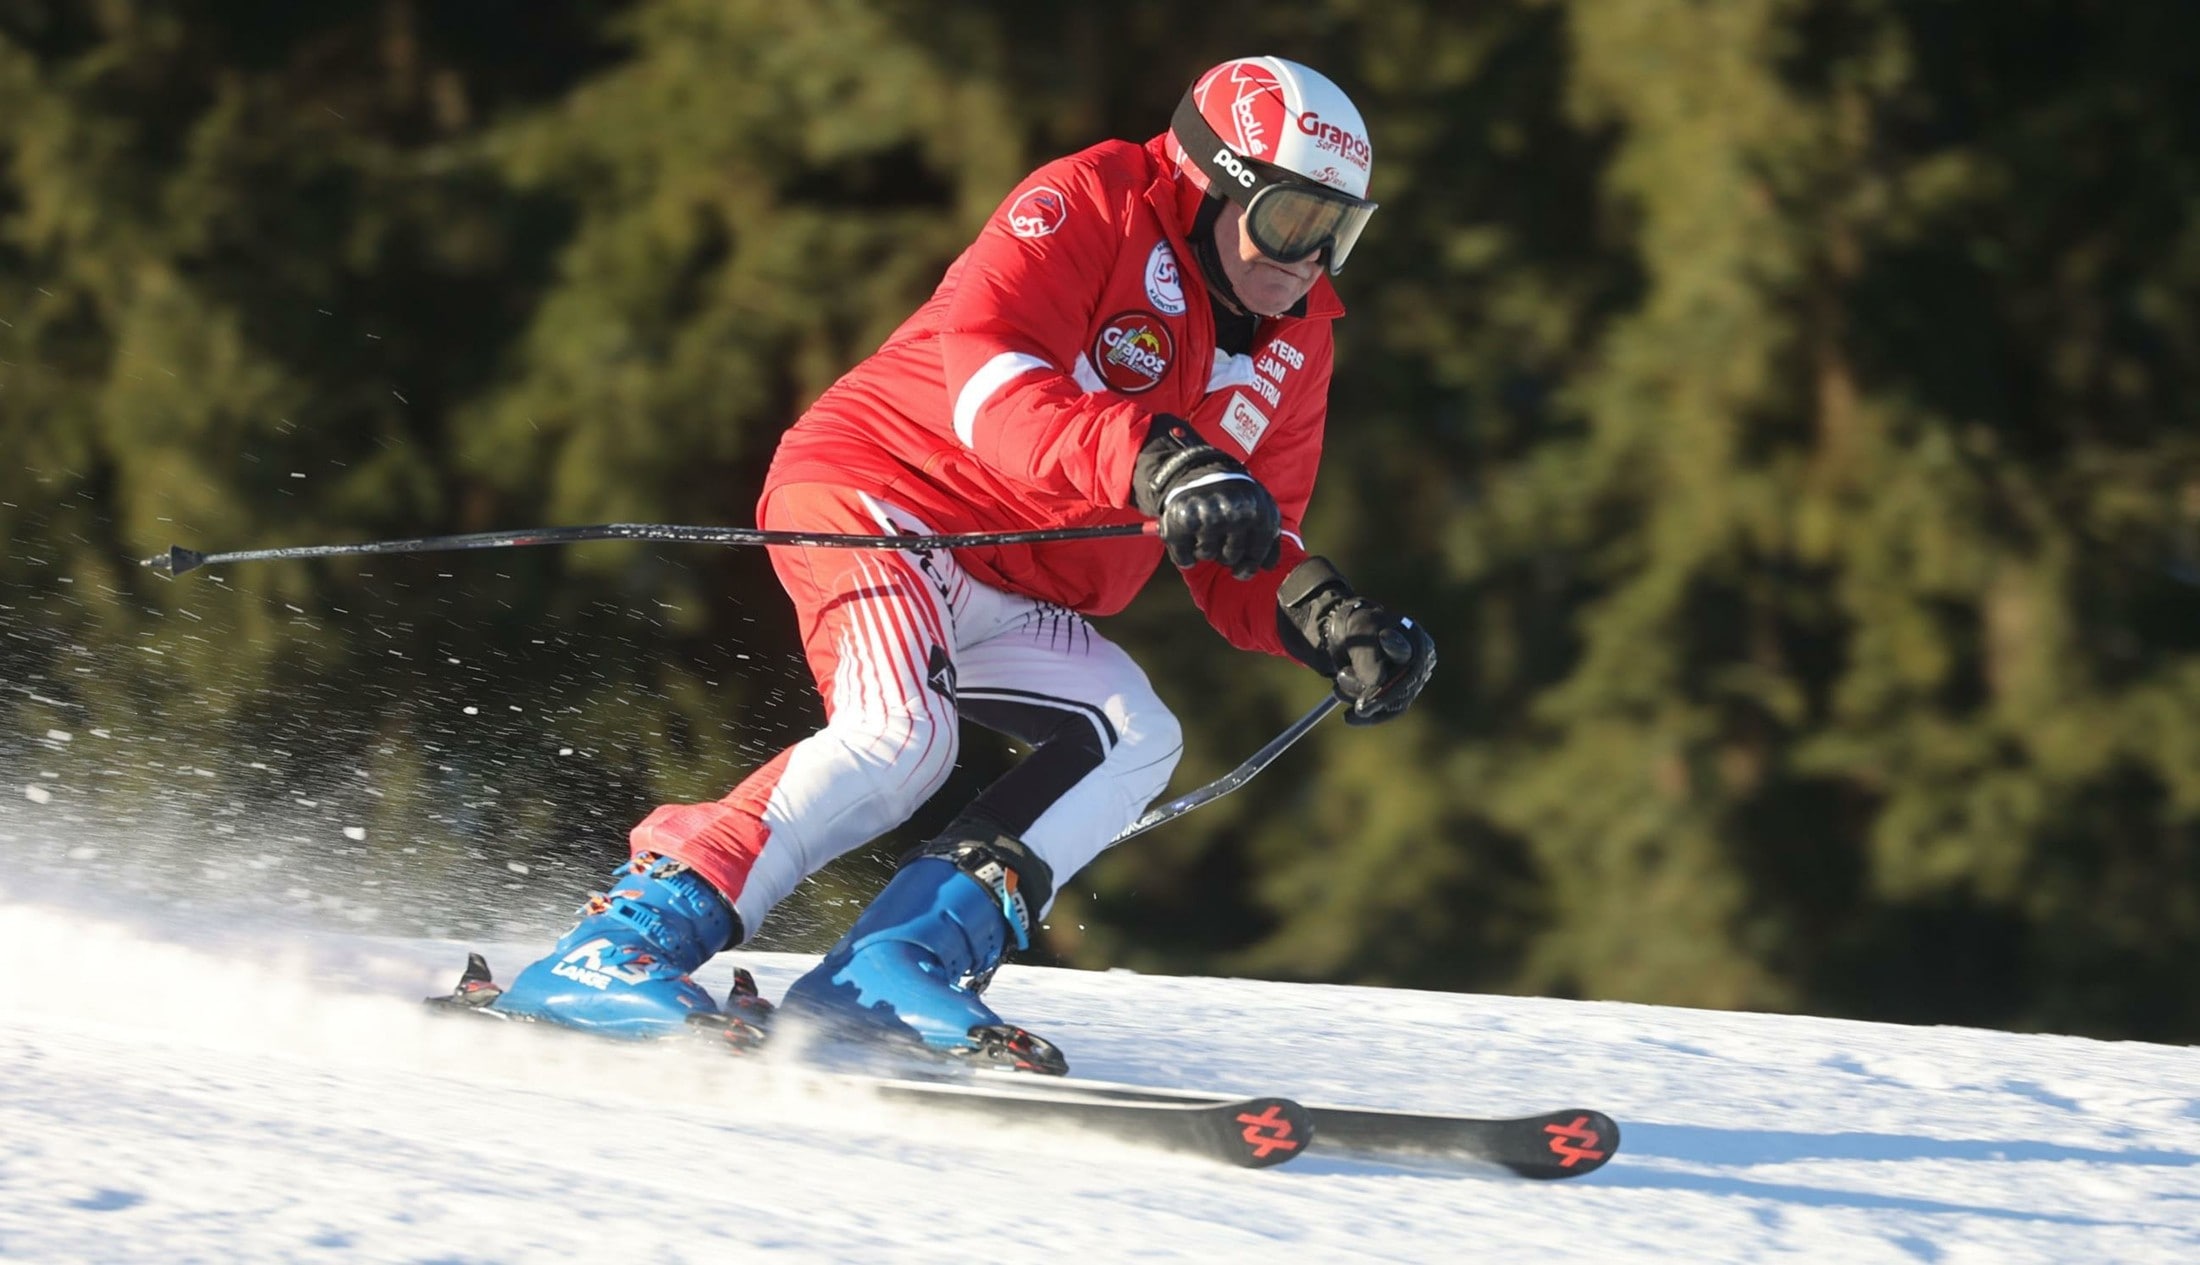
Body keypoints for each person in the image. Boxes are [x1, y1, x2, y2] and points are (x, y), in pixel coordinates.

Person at [487, 55, 1437, 1068]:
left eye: (1338, 230)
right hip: (882, 496)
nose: (1309, 258)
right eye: (1293, 219)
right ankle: (617, 944)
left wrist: (1328, 618)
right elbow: (991, 380)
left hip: (1015, 581)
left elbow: (1243, 537)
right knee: (900, 736)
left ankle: (887, 972)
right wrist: (1155, 457)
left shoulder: (1299, 339)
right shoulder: (1089, 203)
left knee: (1136, 737)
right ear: (1215, 186)